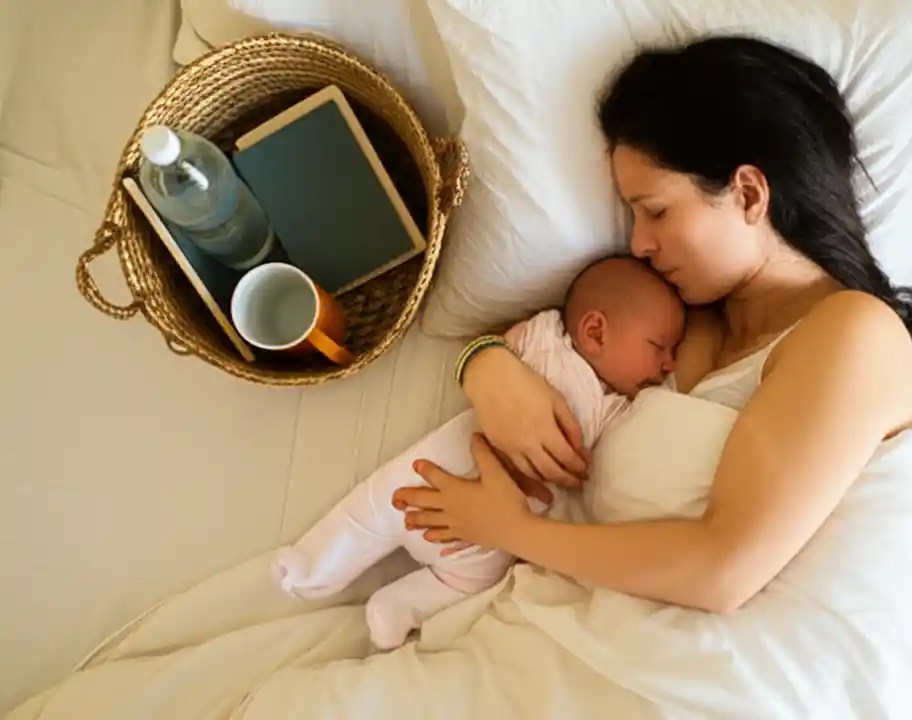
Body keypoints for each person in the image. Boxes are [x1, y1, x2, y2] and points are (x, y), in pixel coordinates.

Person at [392, 35, 912, 613]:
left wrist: (508, 530)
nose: (638, 244)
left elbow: (723, 571)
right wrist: (485, 364)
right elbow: (559, 341)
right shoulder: (680, 323)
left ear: (749, 193)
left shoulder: (857, 334)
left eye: (655, 210)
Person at [274, 256, 685, 647]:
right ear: (595, 331)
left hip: (489, 535)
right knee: (378, 505)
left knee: (475, 579)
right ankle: (314, 565)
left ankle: (398, 606)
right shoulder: (548, 339)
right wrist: (491, 356)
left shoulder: (618, 409)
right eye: (660, 346)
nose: (668, 363)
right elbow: (492, 348)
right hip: (442, 470)